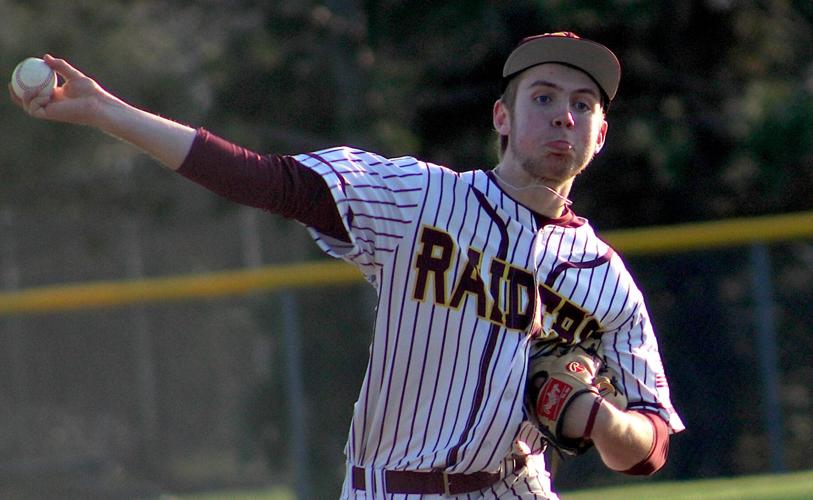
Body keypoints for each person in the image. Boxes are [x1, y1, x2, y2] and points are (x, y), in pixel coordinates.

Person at [11, 32, 684, 499]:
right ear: (501, 117)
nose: (563, 116)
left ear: (600, 135)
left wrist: (600, 420)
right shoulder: (421, 199)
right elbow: (268, 181)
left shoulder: (606, 282)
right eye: (543, 97)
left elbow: (649, 446)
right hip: (390, 489)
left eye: (582, 105)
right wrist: (107, 113)